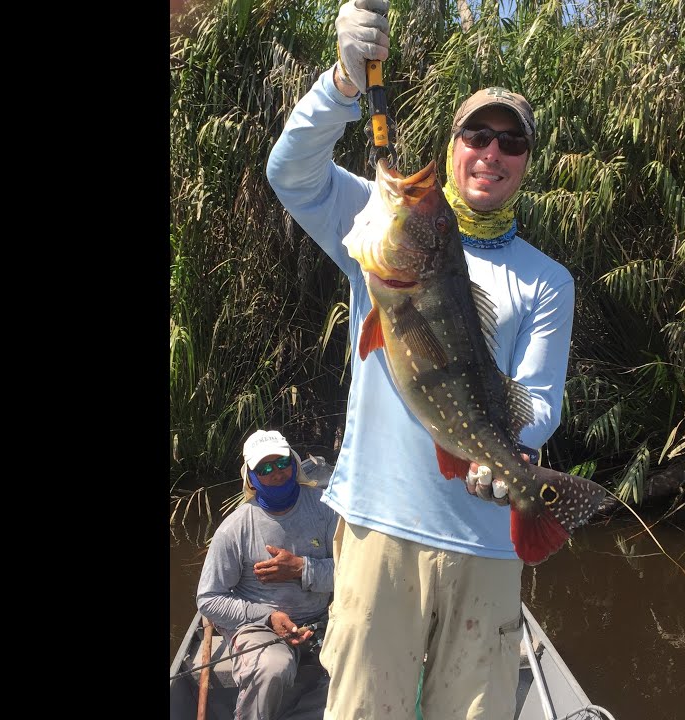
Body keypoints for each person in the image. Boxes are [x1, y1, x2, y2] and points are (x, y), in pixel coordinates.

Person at [265, 2, 576, 717]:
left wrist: (513, 459)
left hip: (489, 548)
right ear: (454, 143)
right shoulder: (382, 228)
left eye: (511, 142)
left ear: (526, 162)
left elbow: (538, 401)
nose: (490, 153)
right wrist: (342, 86)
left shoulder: (547, 280)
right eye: (476, 135)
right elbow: (291, 172)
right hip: (381, 528)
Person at [196, 429, 340, 720]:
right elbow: (209, 599)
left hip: (322, 620)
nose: (276, 473)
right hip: (259, 627)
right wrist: (267, 618)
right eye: (264, 468)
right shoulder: (235, 527)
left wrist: (302, 569)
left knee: (354, 667)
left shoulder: (327, 509)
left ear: (295, 462)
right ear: (251, 477)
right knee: (274, 667)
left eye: (281, 462)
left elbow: (352, 575)